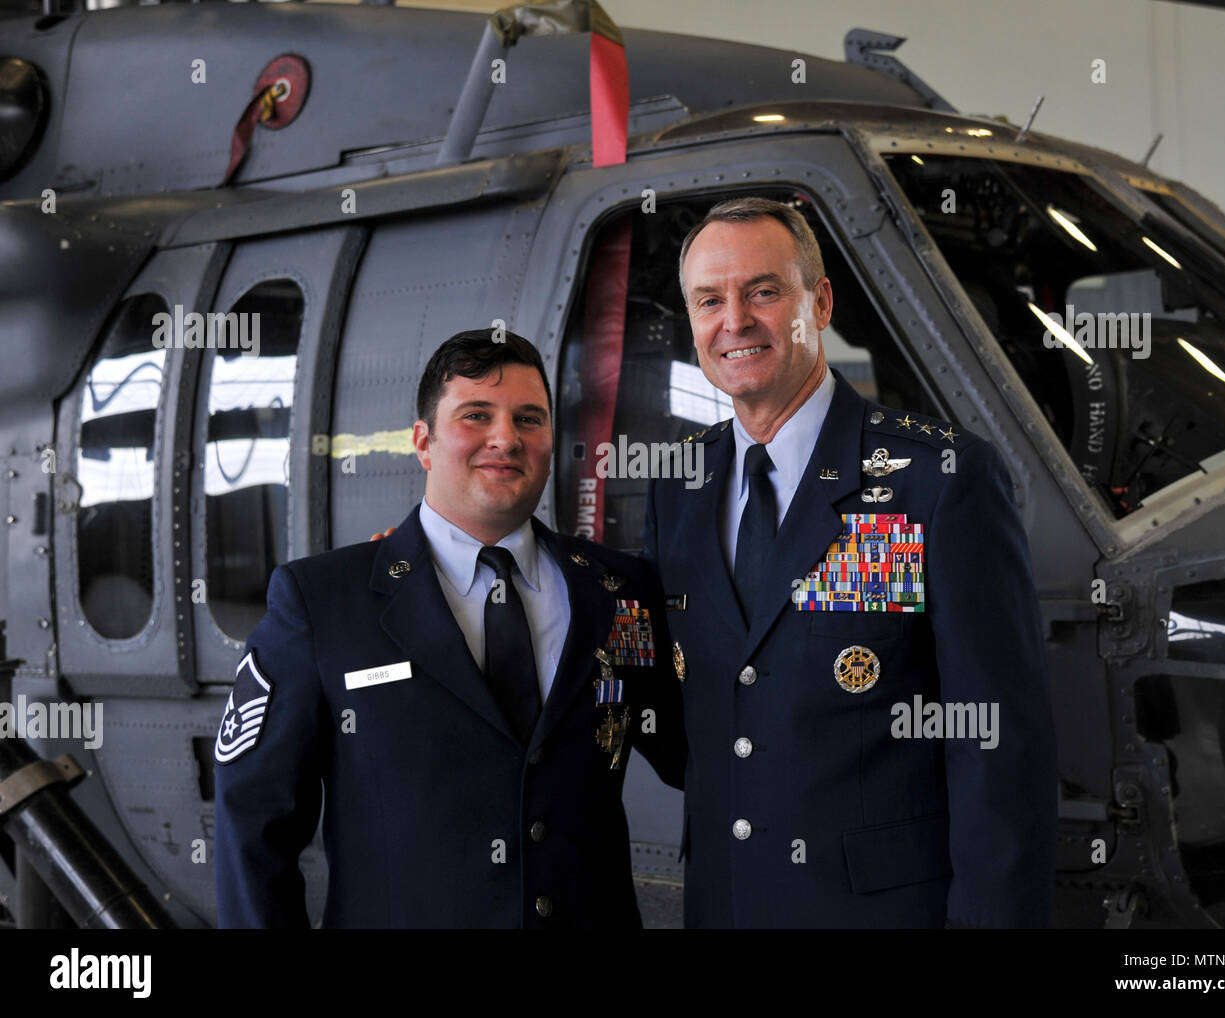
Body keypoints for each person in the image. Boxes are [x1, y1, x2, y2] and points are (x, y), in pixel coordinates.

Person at [642, 196, 1056, 928]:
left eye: (763, 292)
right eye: (710, 299)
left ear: (820, 302)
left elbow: (995, 749)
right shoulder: (679, 487)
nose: (734, 321)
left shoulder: (939, 479)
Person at [214, 329, 685, 928]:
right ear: (423, 442)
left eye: (529, 418)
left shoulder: (619, 592)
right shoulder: (324, 602)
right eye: (476, 415)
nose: (505, 438)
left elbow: (698, 752)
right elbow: (254, 823)